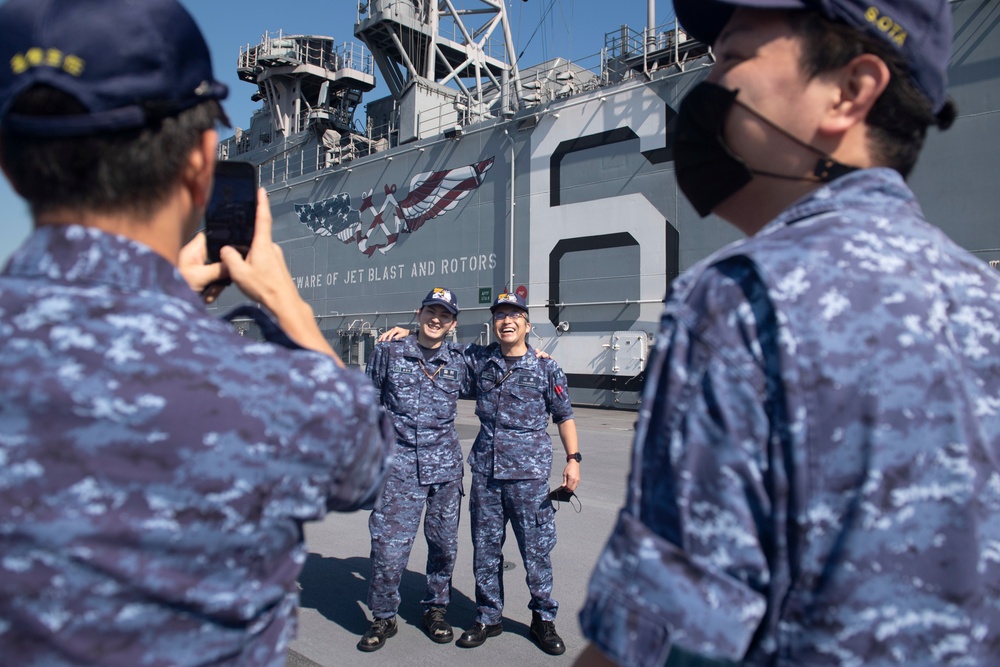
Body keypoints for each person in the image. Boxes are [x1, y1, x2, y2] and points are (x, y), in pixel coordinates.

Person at [577, 1, 1000, 666]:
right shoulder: (986, 300)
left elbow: (665, 644)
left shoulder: (739, 298)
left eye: (733, 57)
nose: (705, 89)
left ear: (849, 91)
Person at [0, 1, 394, 665]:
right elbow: (366, 461)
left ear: (10, 166)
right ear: (201, 162)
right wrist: (282, 299)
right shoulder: (275, 394)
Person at [457, 291, 581, 656]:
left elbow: (564, 415)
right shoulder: (480, 360)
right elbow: (434, 344)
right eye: (500, 316)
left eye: (514, 315)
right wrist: (403, 331)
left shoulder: (546, 367)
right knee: (485, 548)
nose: (506, 321)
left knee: (537, 549)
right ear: (493, 324)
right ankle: (488, 615)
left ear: (527, 324)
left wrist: (574, 458)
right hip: (487, 474)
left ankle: (543, 618)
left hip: (529, 476)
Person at [357, 287, 472, 652]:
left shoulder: (461, 358)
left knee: (443, 547)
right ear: (418, 313)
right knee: (389, 548)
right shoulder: (389, 351)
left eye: (445, 314)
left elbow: (506, 358)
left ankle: (436, 609)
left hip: (444, 469)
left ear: (453, 323)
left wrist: (537, 352)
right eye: (430, 312)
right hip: (398, 467)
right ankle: (384, 615)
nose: (436, 319)